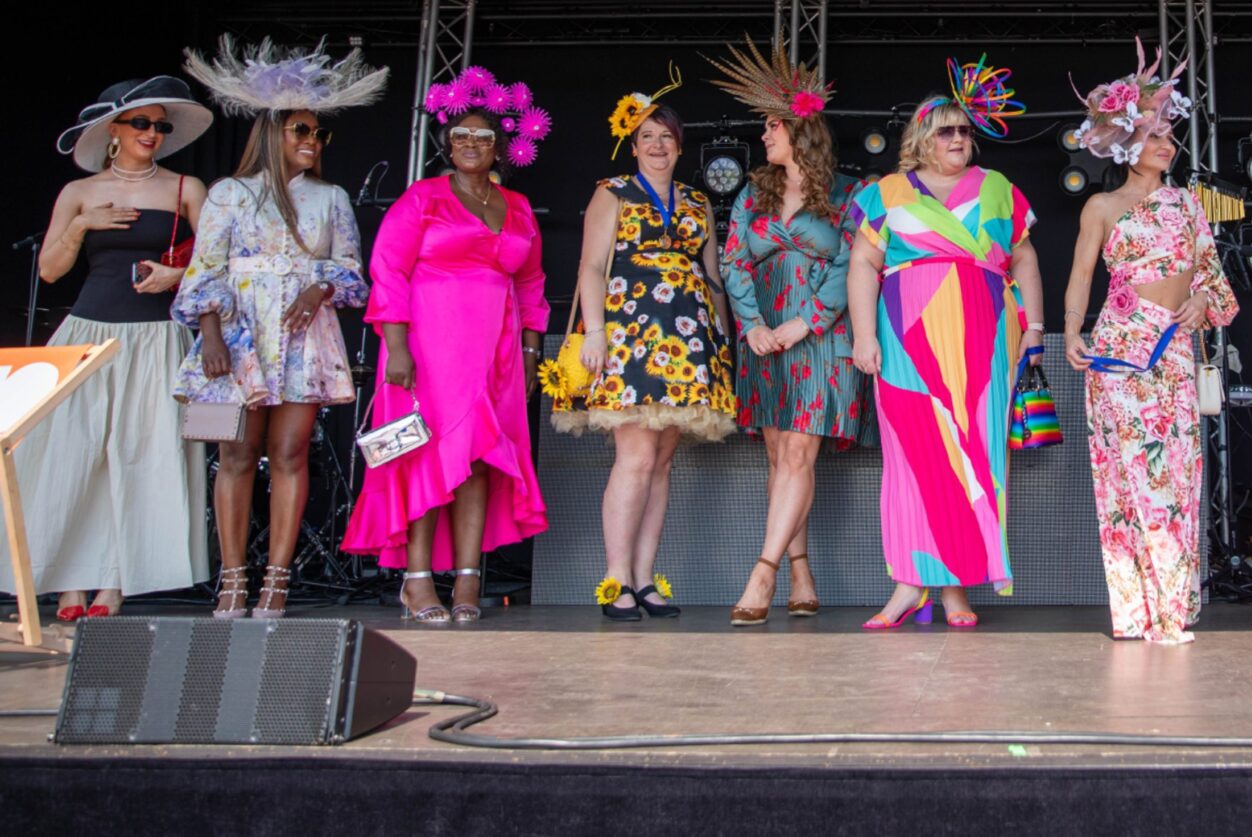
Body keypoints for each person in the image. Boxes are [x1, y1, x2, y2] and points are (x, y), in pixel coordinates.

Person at [175, 37, 383, 619]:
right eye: (301, 131)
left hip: (304, 337)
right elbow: (204, 270)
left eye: (319, 134)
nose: (313, 142)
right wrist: (211, 336)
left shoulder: (331, 197)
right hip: (239, 340)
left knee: (290, 453)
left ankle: (278, 580)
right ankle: (233, 579)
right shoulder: (229, 194)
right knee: (237, 454)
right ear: (272, 132)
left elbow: (352, 273)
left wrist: (321, 287)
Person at [342, 68, 551, 623]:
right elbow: (387, 272)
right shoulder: (422, 198)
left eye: (483, 139)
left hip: (498, 352)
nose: (471, 147)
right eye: (460, 138)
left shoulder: (519, 206)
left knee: (481, 461)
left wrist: (532, 351)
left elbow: (531, 283)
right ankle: (416, 582)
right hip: (430, 345)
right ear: (446, 145)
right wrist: (398, 347)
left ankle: (466, 581)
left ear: (500, 146)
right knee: (425, 454)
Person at [0, 79, 212, 620]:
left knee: (140, 455)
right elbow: (50, 270)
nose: (152, 133)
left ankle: (115, 582)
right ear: (113, 131)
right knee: (69, 454)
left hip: (156, 337)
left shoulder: (187, 187)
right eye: (141, 122)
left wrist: (176, 273)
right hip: (87, 335)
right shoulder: (79, 193)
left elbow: (219, 265)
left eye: (161, 125)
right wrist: (81, 226)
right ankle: (67, 580)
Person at [847, 56, 1043, 631]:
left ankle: (956, 587)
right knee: (912, 457)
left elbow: (1025, 259)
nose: (959, 138)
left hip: (984, 336)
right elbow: (862, 264)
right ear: (922, 139)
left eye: (964, 129)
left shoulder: (999, 189)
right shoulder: (885, 193)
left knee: (975, 455)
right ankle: (909, 585)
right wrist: (862, 334)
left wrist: (1033, 327)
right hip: (905, 336)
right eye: (946, 130)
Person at [1061, 41, 1237, 644]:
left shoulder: (1187, 205)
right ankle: (1138, 613)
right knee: (1130, 480)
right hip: (1118, 353)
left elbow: (1214, 282)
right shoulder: (1102, 206)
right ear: (1128, 141)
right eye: (1157, 134)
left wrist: (1201, 304)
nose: (1168, 144)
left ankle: (1170, 607)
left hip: (1174, 356)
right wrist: (1069, 330)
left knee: (1178, 480)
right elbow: (1082, 274)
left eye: (1170, 135)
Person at [549, 66, 735, 621]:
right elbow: (589, 266)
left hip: (687, 339)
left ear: (680, 146)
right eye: (647, 137)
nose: (657, 145)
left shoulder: (697, 201)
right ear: (634, 146)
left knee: (661, 463)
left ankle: (647, 578)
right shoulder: (612, 193)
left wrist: (720, 336)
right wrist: (595, 333)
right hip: (630, 335)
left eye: (667, 136)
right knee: (634, 456)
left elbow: (713, 274)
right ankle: (615, 579)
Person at [706, 39, 870, 626]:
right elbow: (732, 261)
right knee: (781, 458)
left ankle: (763, 572)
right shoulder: (754, 192)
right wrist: (752, 325)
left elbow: (854, 263)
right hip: (764, 340)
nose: (764, 136)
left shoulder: (851, 195)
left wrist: (807, 321)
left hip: (822, 341)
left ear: (802, 133)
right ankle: (802, 571)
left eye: (772, 126)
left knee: (800, 452)